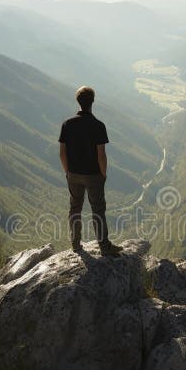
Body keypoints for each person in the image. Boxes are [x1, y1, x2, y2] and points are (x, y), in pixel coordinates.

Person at [58, 86, 123, 256]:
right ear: (92, 102)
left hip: (73, 174)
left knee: (75, 208)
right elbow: (101, 154)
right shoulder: (98, 126)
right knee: (98, 209)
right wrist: (103, 174)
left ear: (78, 101)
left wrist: (68, 172)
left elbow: (62, 153)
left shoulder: (67, 124)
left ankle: (75, 244)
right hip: (94, 175)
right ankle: (104, 246)